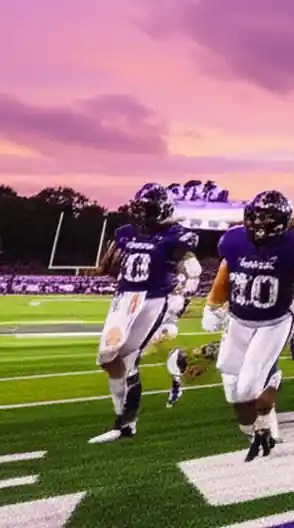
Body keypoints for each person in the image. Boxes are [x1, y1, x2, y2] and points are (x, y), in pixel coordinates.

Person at [202, 190, 294, 461]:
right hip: (237, 319)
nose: (260, 226)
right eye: (257, 219)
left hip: (273, 321)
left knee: (248, 387)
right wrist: (212, 304)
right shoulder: (234, 241)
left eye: (267, 221)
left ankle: (272, 379)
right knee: (232, 387)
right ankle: (257, 428)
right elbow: (226, 272)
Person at [89, 184, 200, 444]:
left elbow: (192, 270)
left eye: (146, 210)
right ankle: (123, 418)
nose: (141, 215)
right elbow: (109, 264)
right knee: (106, 357)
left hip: (152, 299)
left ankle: (125, 423)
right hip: (123, 298)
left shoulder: (175, 235)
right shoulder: (126, 233)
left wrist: (180, 300)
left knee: (128, 359)